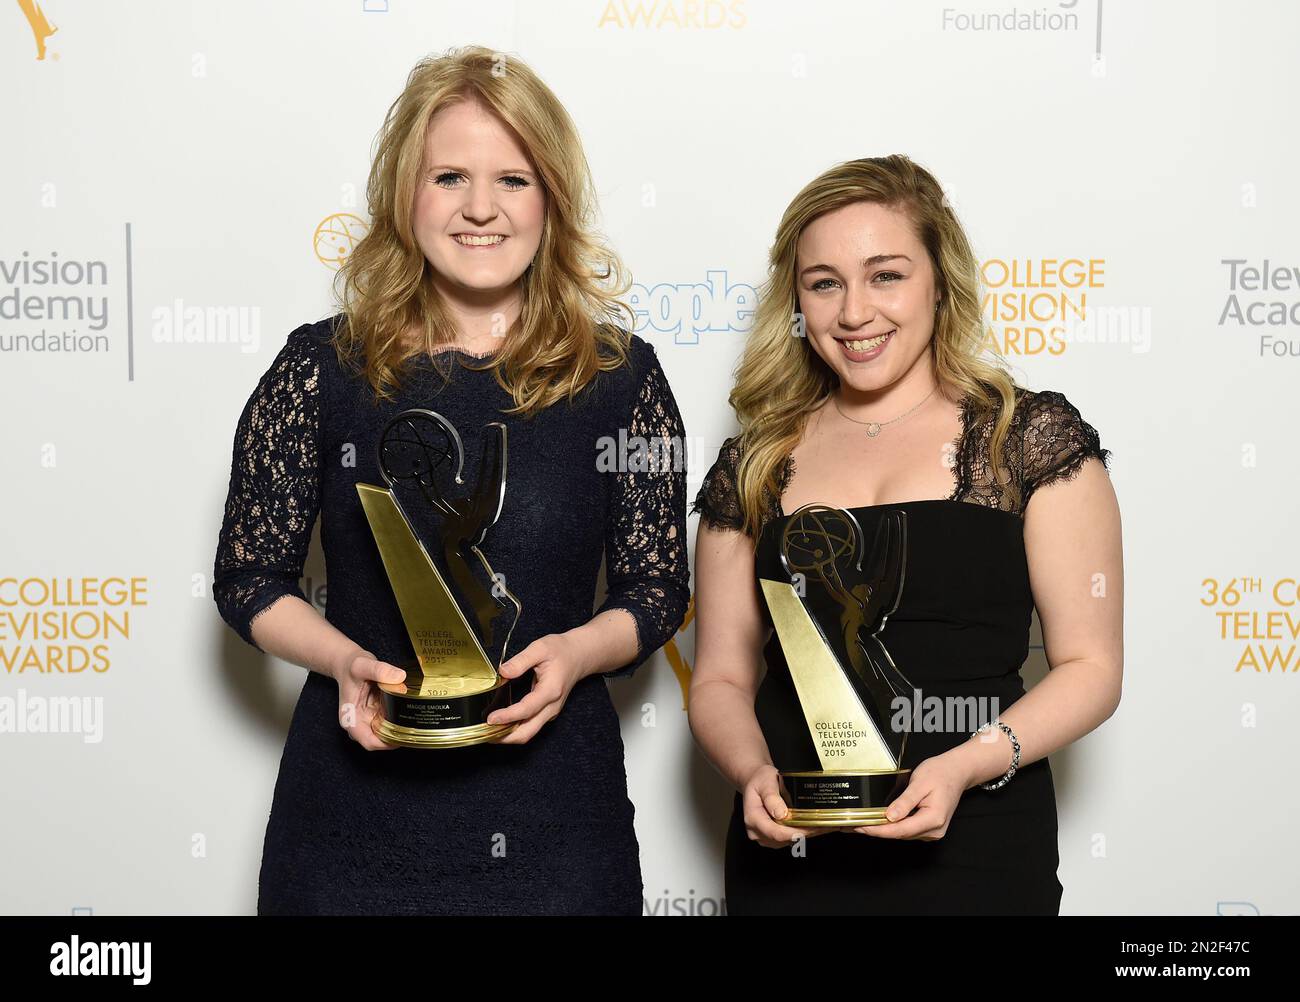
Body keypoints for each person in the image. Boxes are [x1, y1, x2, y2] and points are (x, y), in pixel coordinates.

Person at [212, 46, 689, 915]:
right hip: (348, 829)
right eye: (449, 178)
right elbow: (249, 578)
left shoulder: (624, 380)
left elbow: (657, 587)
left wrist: (578, 651)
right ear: (406, 194)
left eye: (512, 179)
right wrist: (342, 659)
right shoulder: (319, 368)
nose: (480, 209)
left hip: (556, 830)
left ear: (551, 198)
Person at [687, 154, 1123, 915]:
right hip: (794, 854)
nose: (854, 312)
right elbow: (721, 676)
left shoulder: (1026, 437)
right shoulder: (754, 460)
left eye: (885, 274)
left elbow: (1092, 666)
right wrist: (751, 770)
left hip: (980, 845)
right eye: (825, 282)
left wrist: (964, 765)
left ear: (938, 282)